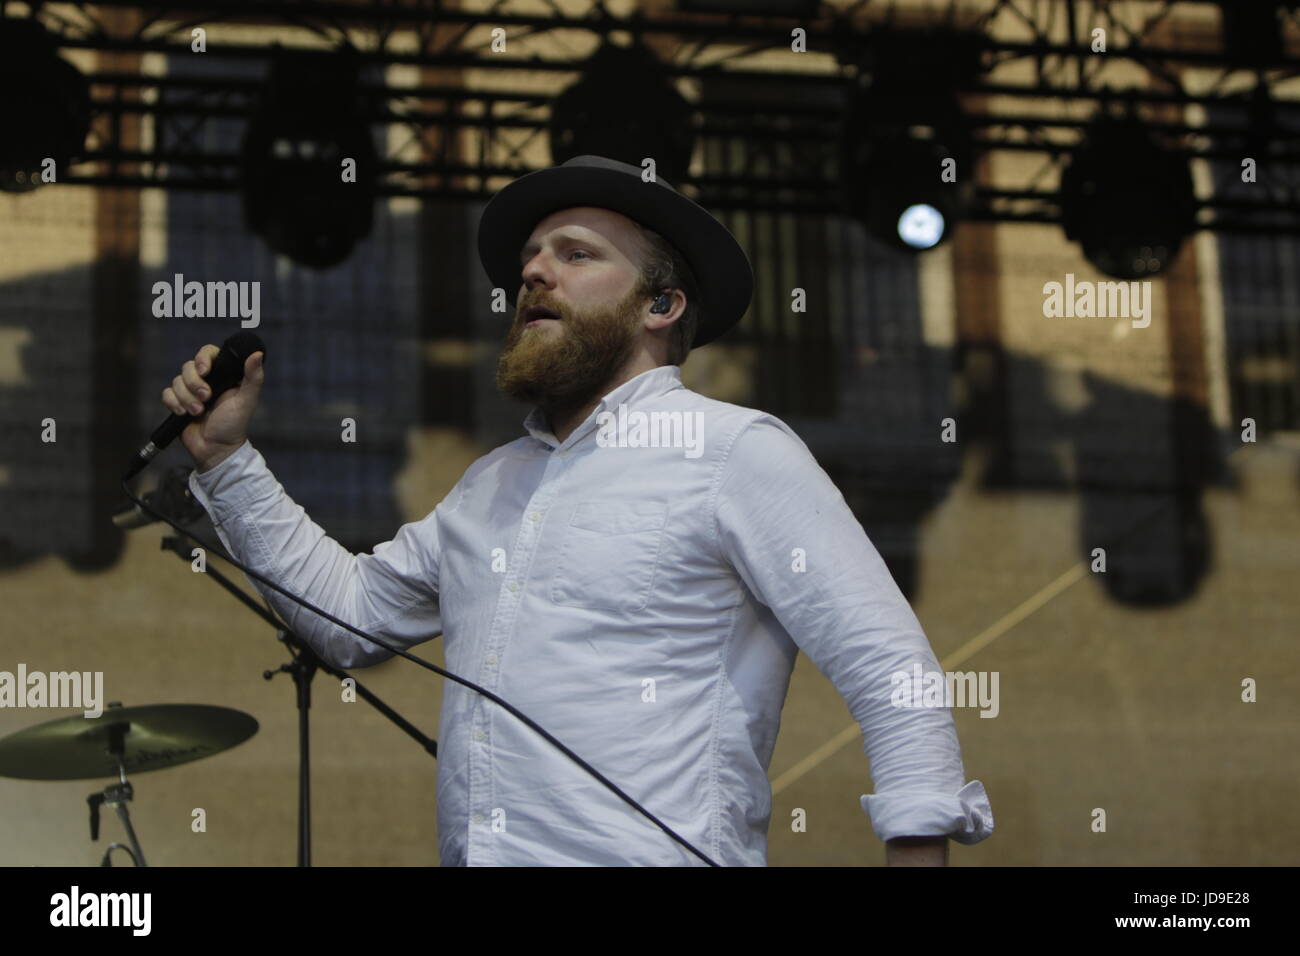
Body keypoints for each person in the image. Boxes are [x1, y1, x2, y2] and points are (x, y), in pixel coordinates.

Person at [167, 154, 993, 866]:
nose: (533, 272)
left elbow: (893, 674)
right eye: (530, 258)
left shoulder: (736, 451)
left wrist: (918, 848)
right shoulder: (490, 485)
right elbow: (345, 616)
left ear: (660, 307)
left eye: (576, 254)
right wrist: (227, 461)